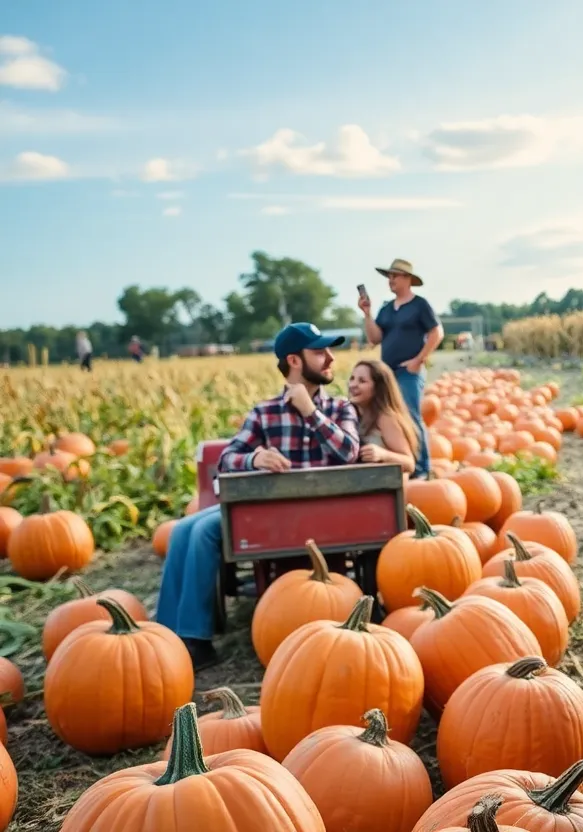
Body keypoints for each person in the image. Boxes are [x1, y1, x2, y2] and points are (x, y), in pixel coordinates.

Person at [155, 322, 359, 670]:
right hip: (269, 513)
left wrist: (311, 412)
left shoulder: (339, 409)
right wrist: (254, 458)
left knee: (204, 531)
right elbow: (226, 460)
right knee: (184, 529)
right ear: (294, 360)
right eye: (319, 352)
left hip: (320, 513)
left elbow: (349, 451)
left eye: (329, 351)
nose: (330, 358)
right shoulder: (265, 412)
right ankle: (168, 637)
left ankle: (194, 637)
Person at [358, 258, 443, 479]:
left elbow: (437, 333)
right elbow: (375, 338)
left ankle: (422, 468)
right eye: (389, 277)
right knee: (387, 419)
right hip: (386, 373)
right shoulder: (387, 309)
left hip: (409, 372)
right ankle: (399, 461)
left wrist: (419, 360)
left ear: (407, 279)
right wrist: (367, 313)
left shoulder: (419, 305)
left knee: (411, 416)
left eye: (395, 276)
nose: (391, 280)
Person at [347, 358, 420, 474]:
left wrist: (383, 454)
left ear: (378, 388)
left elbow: (409, 463)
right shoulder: (350, 415)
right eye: (352, 379)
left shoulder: (386, 418)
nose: (353, 385)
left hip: (385, 487)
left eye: (362, 381)